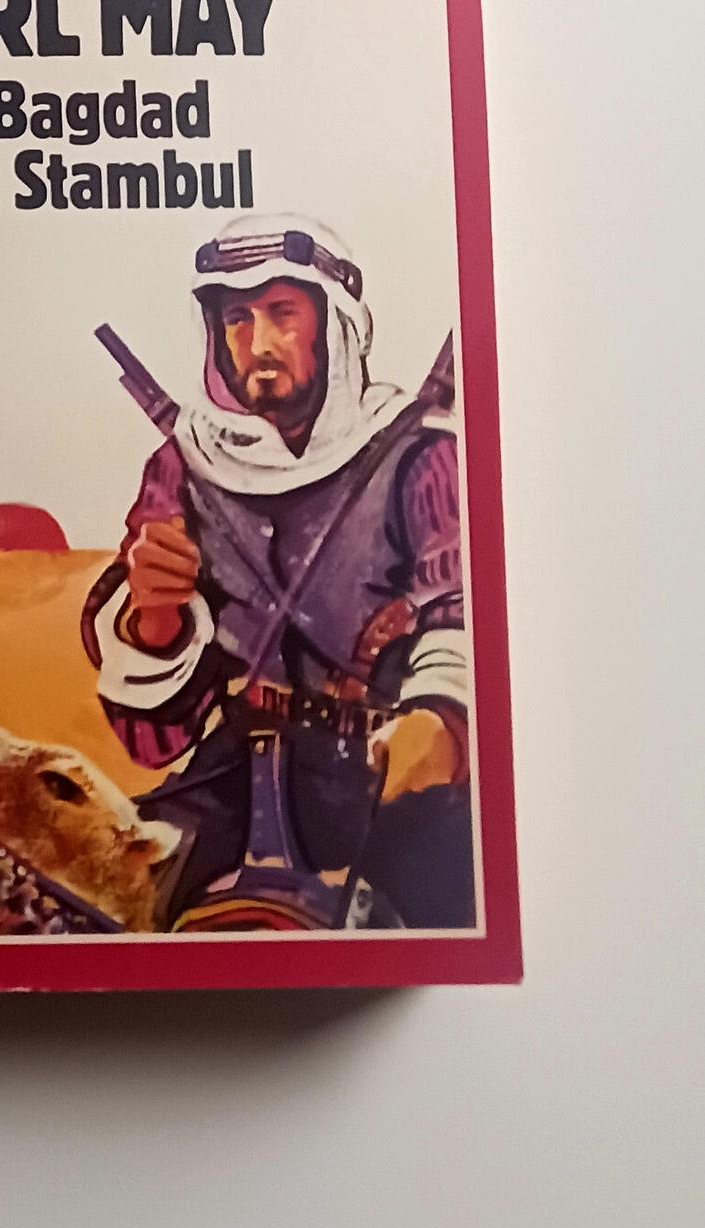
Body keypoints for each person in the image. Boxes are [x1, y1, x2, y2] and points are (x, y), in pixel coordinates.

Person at [79, 217, 476, 930]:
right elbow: (154, 737)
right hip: (240, 772)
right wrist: (155, 621)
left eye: (281, 312)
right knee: (96, 891)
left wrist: (437, 718)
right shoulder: (184, 466)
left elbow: (458, 605)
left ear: (335, 323)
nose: (257, 342)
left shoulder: (422, 458)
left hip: (390, 769)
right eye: (237, 318)